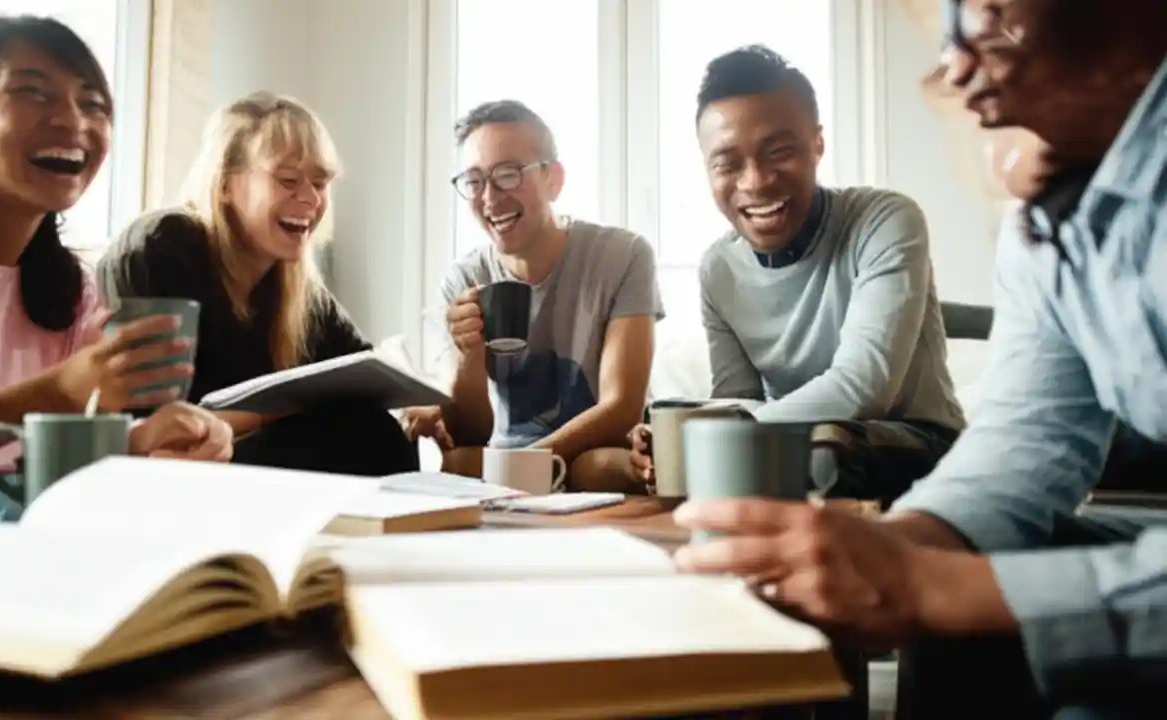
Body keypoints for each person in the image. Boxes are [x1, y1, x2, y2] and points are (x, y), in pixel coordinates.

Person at [671, 2, 1167, 717]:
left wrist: (933, 587)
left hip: (903, 441)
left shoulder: (885, 217)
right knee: (948, 565)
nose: (956, 66)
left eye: (989, 16)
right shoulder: (1043, 222)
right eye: (944, 32)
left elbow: (863, 383)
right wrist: (893, 551)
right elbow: (1028, 439)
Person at [0, 14, 232, 495]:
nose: (73, 122)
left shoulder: (72, 287)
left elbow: (48, 449)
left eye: (93, 105)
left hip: (19, 530)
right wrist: (53, 391)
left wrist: (142, 439)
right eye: (33, 93)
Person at [631, 46, 966, 507]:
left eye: (779, 152)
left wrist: (717, 441)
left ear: (817, 144)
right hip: (784, 450)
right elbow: (738, 400)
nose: (755, 181)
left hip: (914, 442)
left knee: (823, 452)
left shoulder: (885, 220)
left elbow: (864, 385)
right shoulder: (718, 268)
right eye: (727, 163)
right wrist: (679, 440)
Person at [98, 91, 417, 476]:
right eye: (287, 180)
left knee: (376, 431)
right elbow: (158, 423)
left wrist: (416, 406)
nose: (310, 199)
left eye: (320, 183)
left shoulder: (297, 287)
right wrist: (282, 410)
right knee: (362, 432)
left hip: (240, 461)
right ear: (226, 185)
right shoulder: (163, 246)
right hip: (170, 465)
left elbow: (363, 375)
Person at [403, 100, 661, 491]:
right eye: (474, 181)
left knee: (598, 467)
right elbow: (469, 431)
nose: (489, 198)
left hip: (596, 449)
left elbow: (622, 406)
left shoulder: (622, 256)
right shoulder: (466, 278)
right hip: (504, 456)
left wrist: (527, 465)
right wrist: (467, 356)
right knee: (458, 462)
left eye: (507, 175)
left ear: (553, 179)